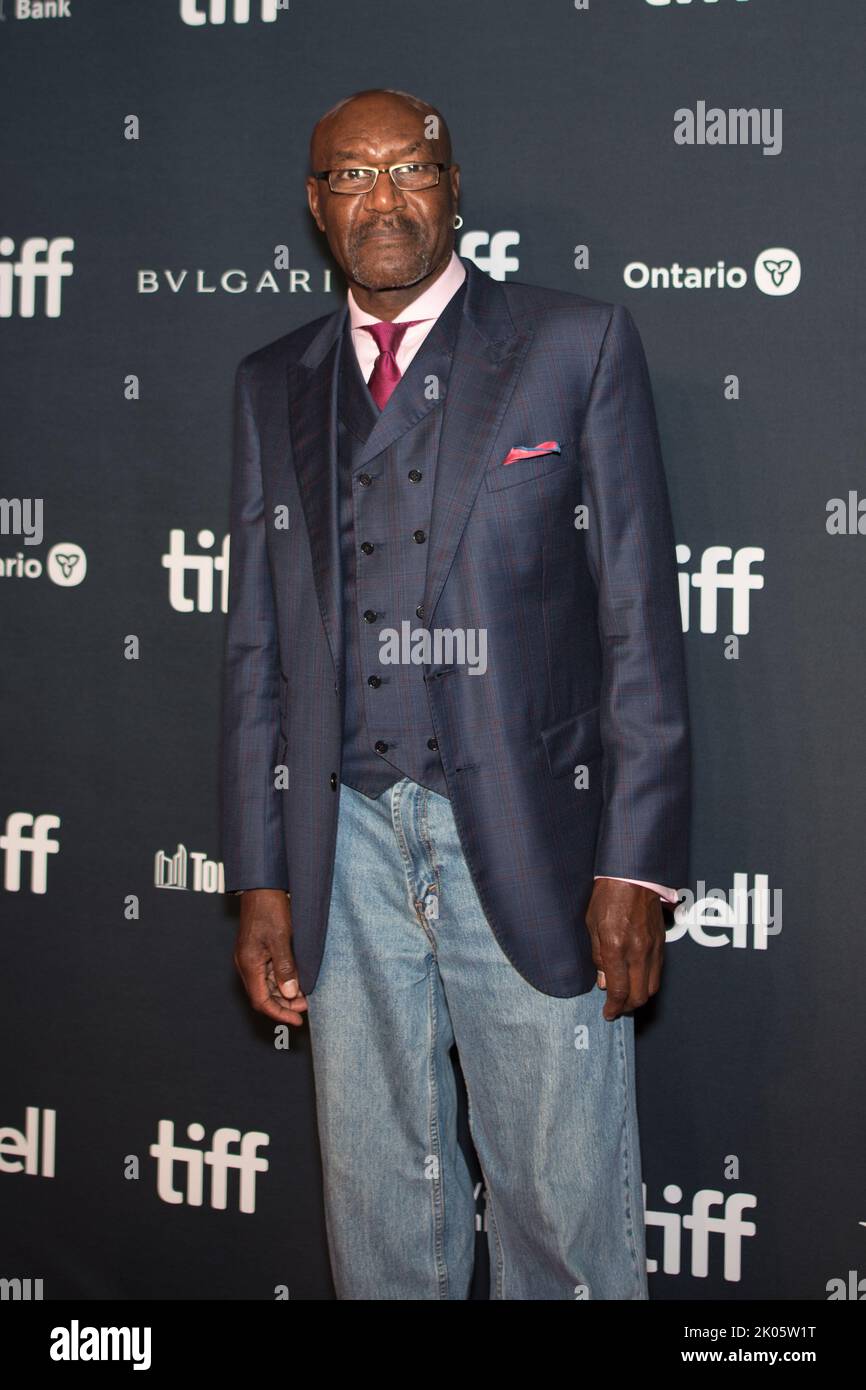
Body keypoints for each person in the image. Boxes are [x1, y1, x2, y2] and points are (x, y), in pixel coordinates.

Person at [221, 87, 690, 1300]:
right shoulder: (273, 381)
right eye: (349, 176)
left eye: (406, 169)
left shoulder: (571, 345)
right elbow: (259, 648)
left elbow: (637, 617)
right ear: (316, 207)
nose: (381, 197)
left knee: (561, 1212)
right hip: (346, 843)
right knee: (381, 1208)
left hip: (529, 837)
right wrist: (262, 876)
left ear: (452, 184)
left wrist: (633, 864)